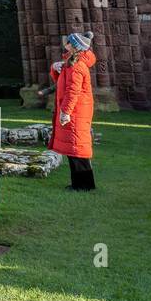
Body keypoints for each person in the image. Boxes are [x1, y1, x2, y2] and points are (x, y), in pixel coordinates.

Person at [49, 31, 97, 191]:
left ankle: (84, 185)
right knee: (74, 148)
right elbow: (62, 84)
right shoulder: (71, 63)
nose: (66, 44)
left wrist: (66, 112)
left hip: (76, 112)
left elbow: (72, 91)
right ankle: (81, 184)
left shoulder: (76, 66)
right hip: (76, 110)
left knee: (77, 148)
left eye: (69, 42)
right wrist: (55, 69)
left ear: (75, 47)